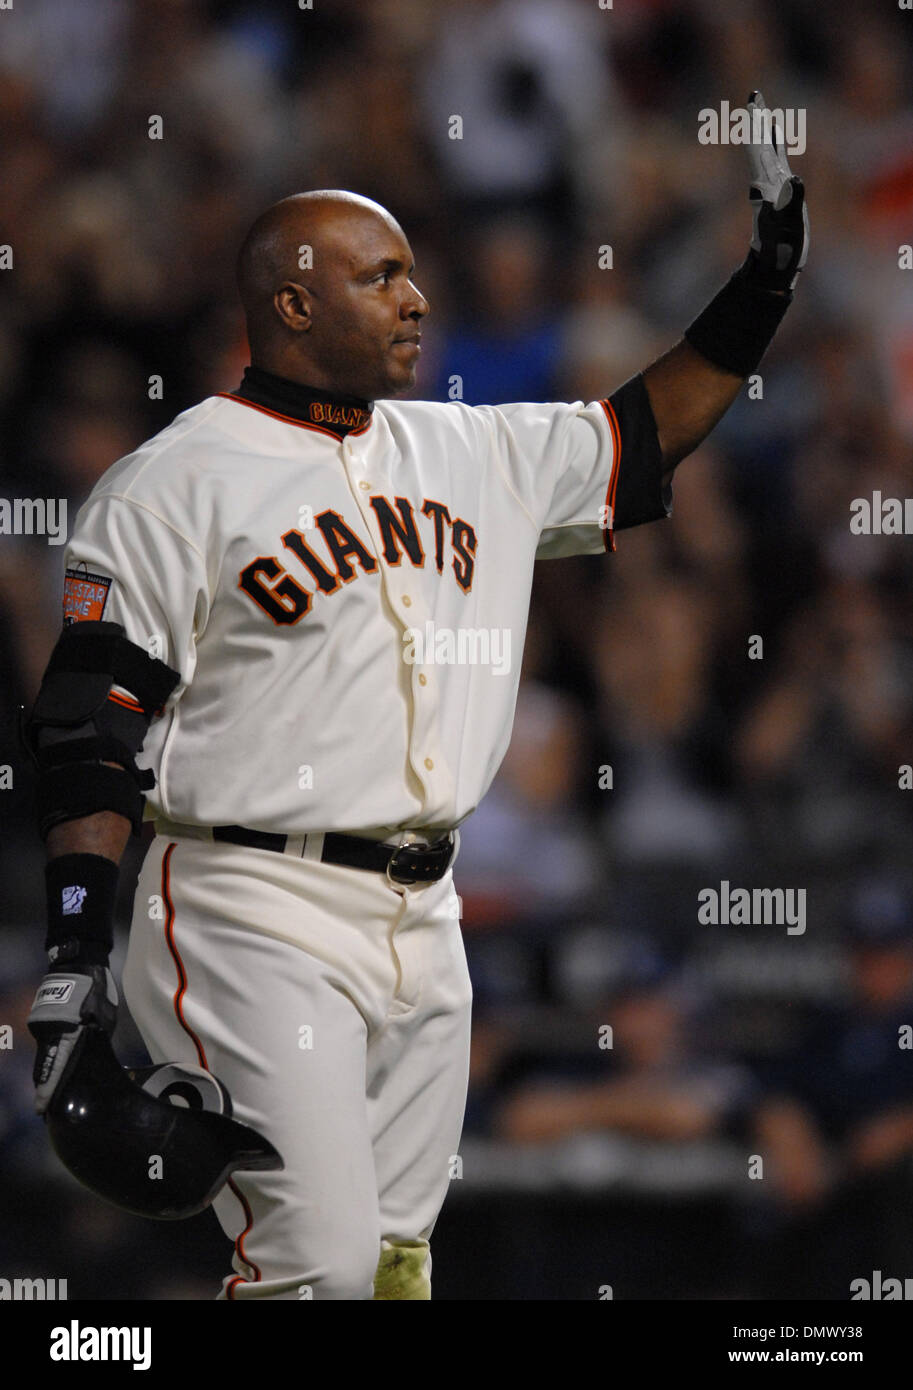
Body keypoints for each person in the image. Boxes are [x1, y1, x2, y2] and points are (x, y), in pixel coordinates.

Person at [24, 94, 808, 1299]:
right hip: (247, 903)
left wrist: (761, 285)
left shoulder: (468, 450)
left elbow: (644, 435)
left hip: (424, 907)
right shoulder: (171, 482)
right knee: (321, 1267)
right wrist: (75, 962)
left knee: (394, 1267)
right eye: (381, 276)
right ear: (292, 303)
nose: (416, 298)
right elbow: (89, 727)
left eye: (411, 273)